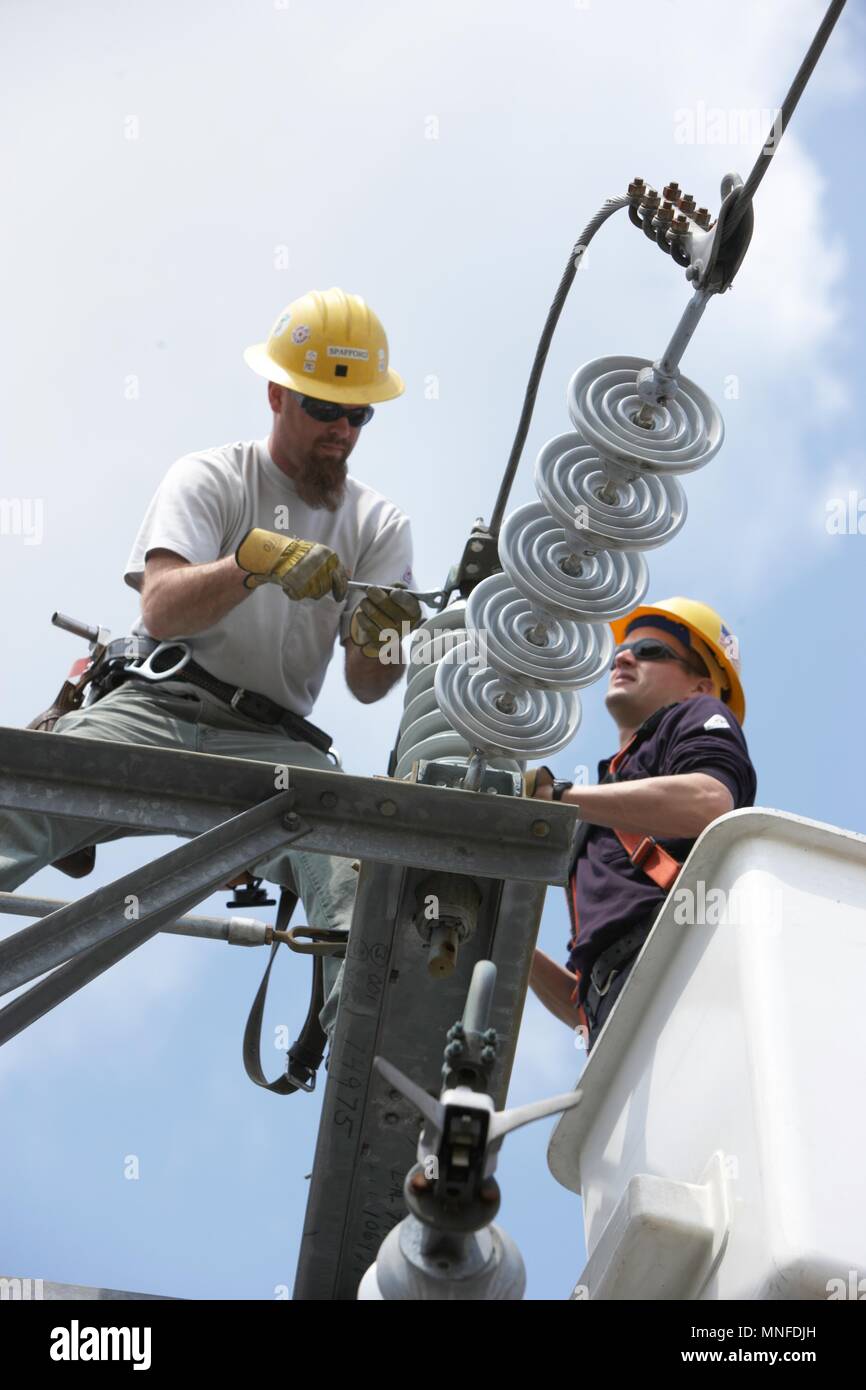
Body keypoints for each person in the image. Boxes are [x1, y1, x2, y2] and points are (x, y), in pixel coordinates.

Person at [0, 286, 424, 1043]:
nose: (342, 433)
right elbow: (162, 607)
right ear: (276, 394)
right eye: (325, 410)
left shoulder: (378, 524)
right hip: (159, 705)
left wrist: (384, 639)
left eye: (359, 415)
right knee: (20, 801)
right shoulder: (212, 477)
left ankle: (373, 1057)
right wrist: (251, 565)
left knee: (355, 866)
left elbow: (366, 684)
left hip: (276, 743)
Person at [526, 598, 757, 1054]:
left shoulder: (691, 718)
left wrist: (561, 800)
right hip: (614, 1018)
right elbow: (580, 1003)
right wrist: (508, 947)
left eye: (650, 650)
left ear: (701, 686)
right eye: (621, 652)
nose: (624, 657)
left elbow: (710, 801)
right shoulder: (602, 799)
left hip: (681, 965)